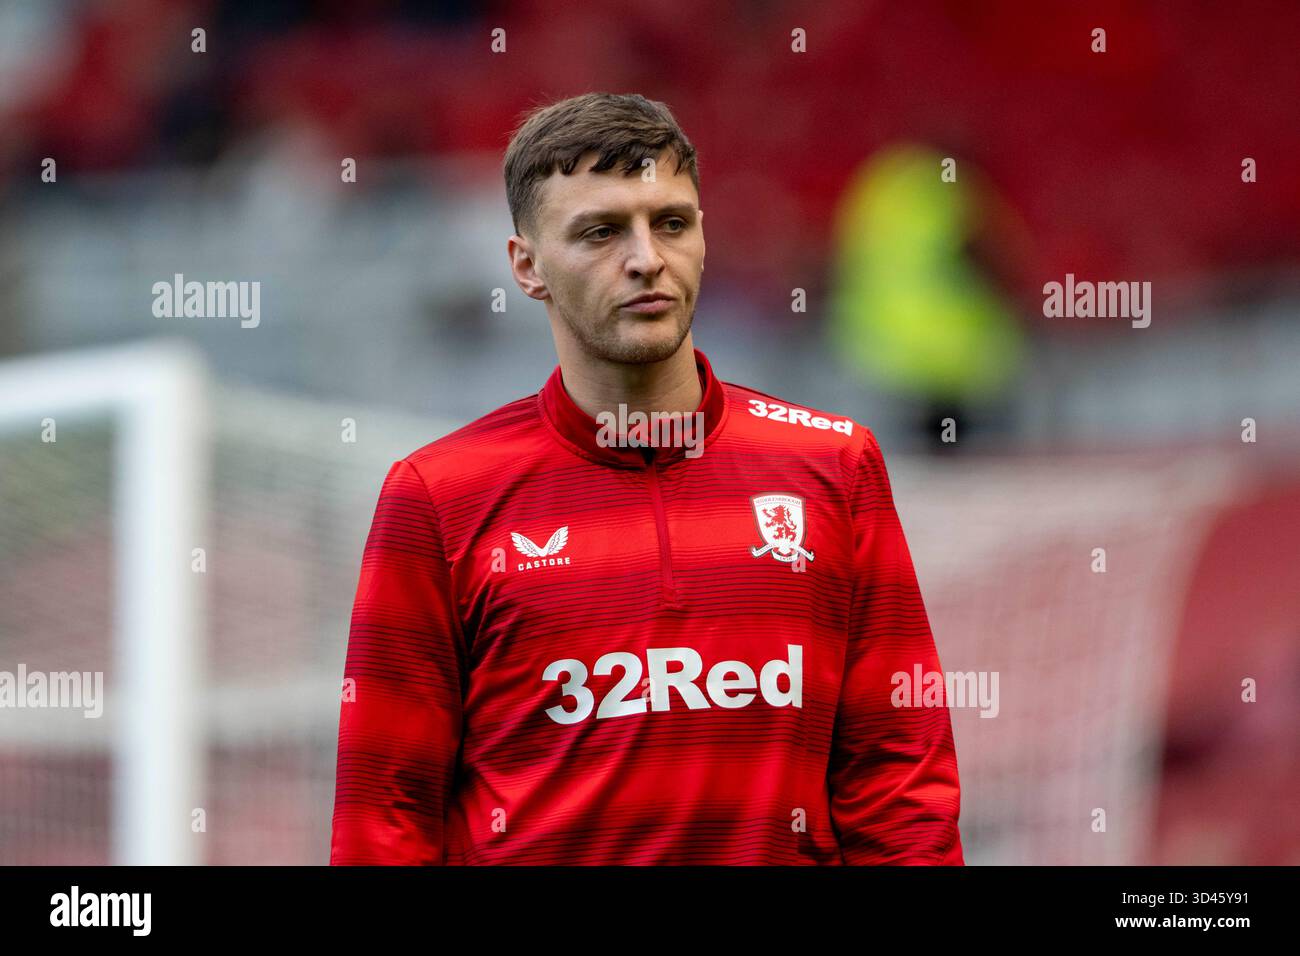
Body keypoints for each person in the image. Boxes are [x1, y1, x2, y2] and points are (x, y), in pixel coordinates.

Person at [330, 92, 964, 865]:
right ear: (526, 267)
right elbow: (384, 814)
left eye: (671, 222)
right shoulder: (439, 496)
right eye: (600, 231)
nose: (645, 259)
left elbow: (900, 782)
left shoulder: (834, 465)